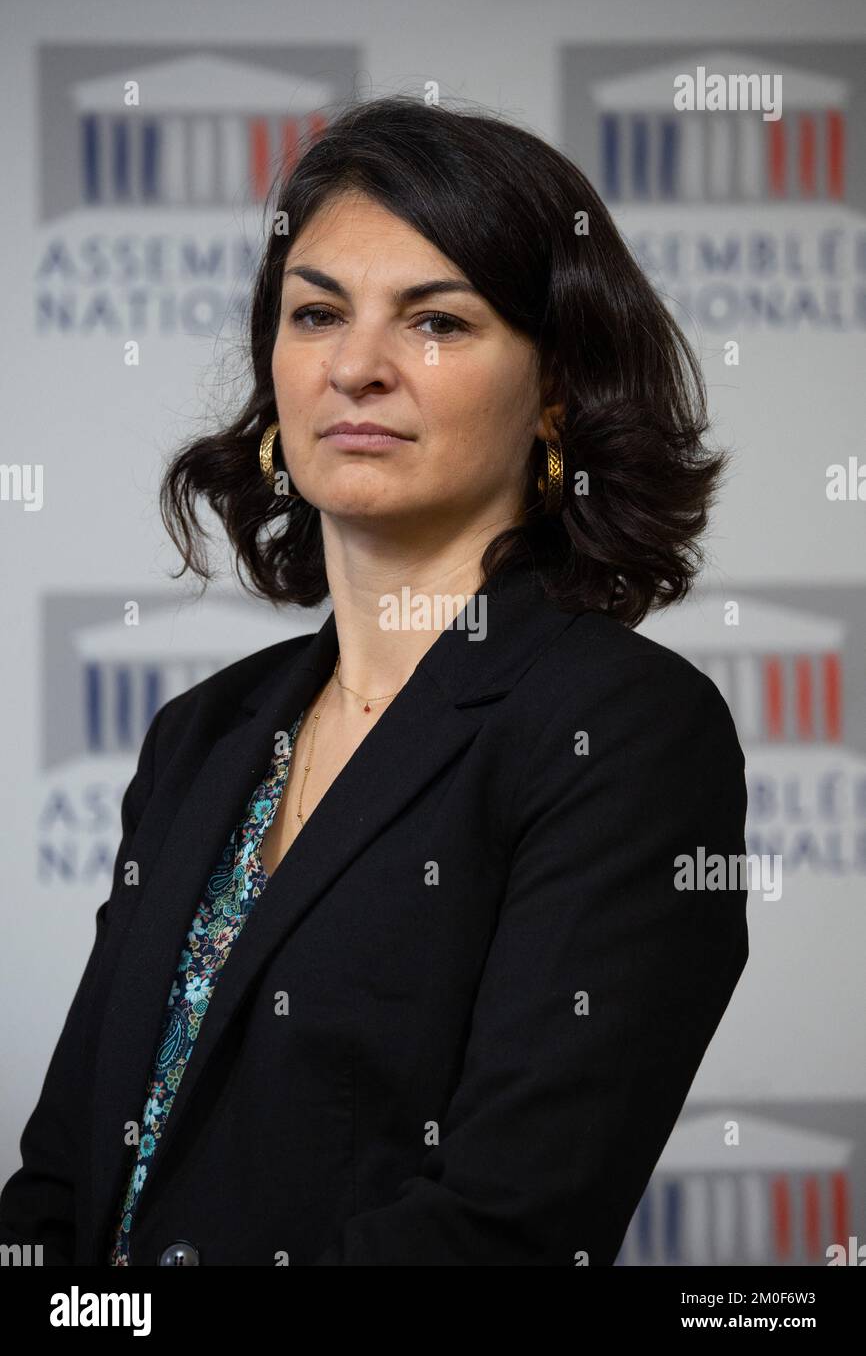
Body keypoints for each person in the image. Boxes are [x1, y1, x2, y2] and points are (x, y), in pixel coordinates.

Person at [0, 94, 748, 1266]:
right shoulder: (202, 733)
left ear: (555, 390)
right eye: (315, 313)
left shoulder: (623, 730)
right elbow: (63, 1176)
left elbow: (506, 1230)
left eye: (436, 322)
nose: (355, 366)